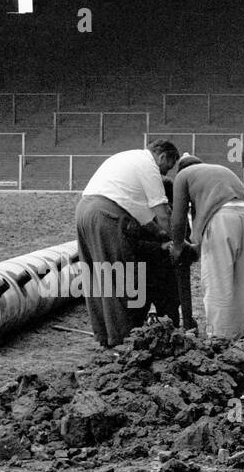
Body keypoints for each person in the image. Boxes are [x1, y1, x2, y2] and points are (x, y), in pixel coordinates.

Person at [75, 140, 180, 347]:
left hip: (84, 211)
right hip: (107, 215)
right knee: (118, 278)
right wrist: (176, 243)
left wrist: (160, 234)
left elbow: (146, 219)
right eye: (168, 166)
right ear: (162, 157)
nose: (165, 172)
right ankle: (122, 341)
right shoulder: (148, 165)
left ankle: (104, 336)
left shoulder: (127, 159)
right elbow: (163, 213)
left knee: (97, 277)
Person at [169, 153, 244, 340]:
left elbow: (178, 220)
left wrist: (177, 246)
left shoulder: (183, 176)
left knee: (217, 283)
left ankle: (217, 339)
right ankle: (236, 337)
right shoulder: (219, 171)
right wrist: (198, 245)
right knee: (241, 284)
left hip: (222, 217)